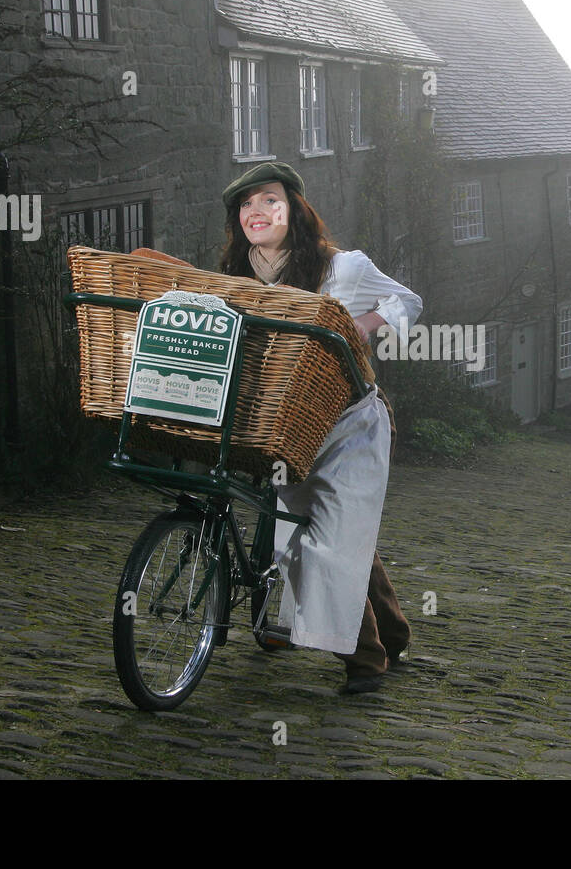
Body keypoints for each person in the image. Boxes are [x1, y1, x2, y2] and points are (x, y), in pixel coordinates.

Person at [136, 162, 418, 694]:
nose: (256, 212)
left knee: (328, 540)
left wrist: (359, 327)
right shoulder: (236, 278)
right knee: (334, 531)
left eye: (268, 201)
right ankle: (396, 632)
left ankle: (367, 662)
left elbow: (407, 300)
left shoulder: (343, 269)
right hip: (289, 425)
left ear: (293, 208)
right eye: (245, 205)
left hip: (353, 424)